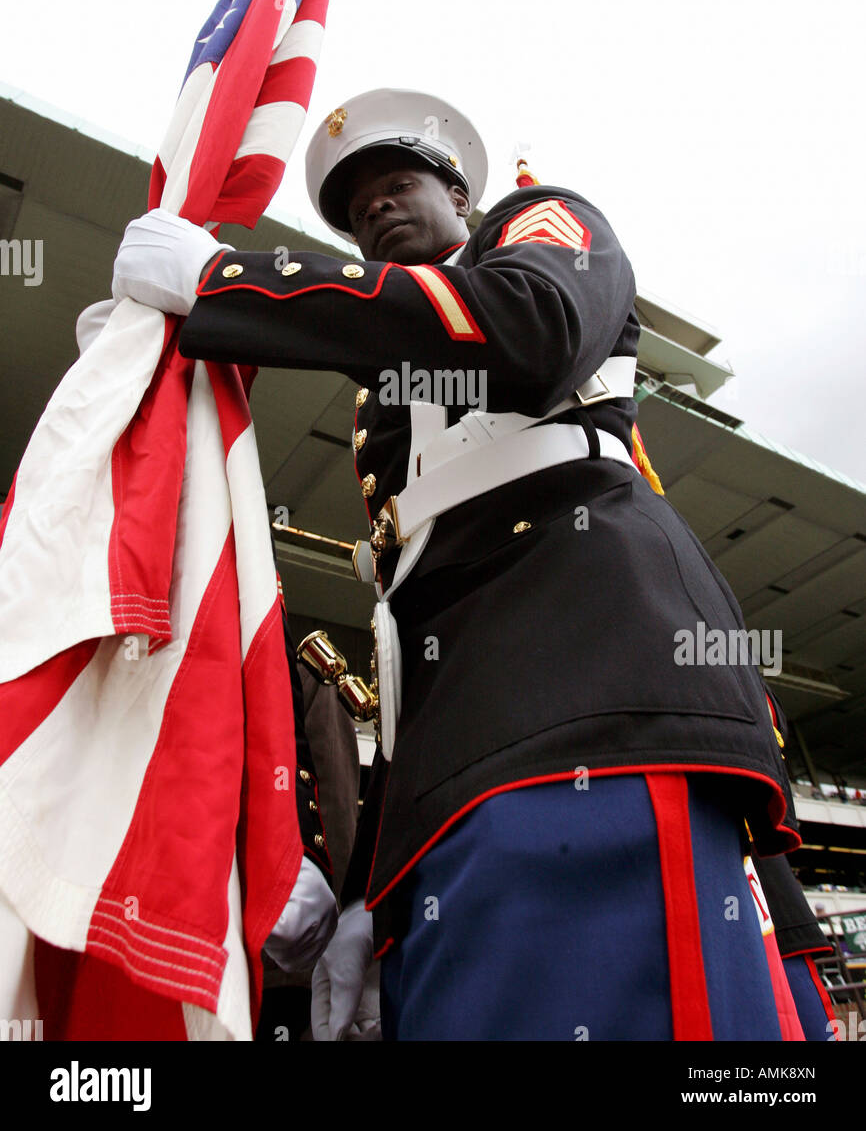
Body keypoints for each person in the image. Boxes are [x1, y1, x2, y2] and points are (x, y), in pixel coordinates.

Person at [113, 88, 802, 1041]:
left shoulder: (541, 227)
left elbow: (530, 332)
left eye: (399, 185)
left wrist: (234, 283)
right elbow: (413, 637)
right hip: (448, 769)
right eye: (358, 213)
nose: (378, 212)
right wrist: (368, 888)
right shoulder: (382, 395)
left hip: (593, 692)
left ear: (462, 198)